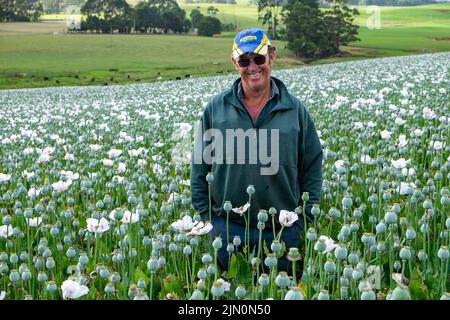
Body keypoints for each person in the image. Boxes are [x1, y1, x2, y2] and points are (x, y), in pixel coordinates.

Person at [190, 28, 323, 273]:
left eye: (259, 58)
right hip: (228, 230)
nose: (253, 67)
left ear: (271, 57)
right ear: (234, 63)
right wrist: (211, 220)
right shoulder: (216, 110)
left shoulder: (295, 110)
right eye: (244, 60)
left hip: (282, 232)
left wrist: (302, 221)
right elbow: (200, 166)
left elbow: (312, 165)